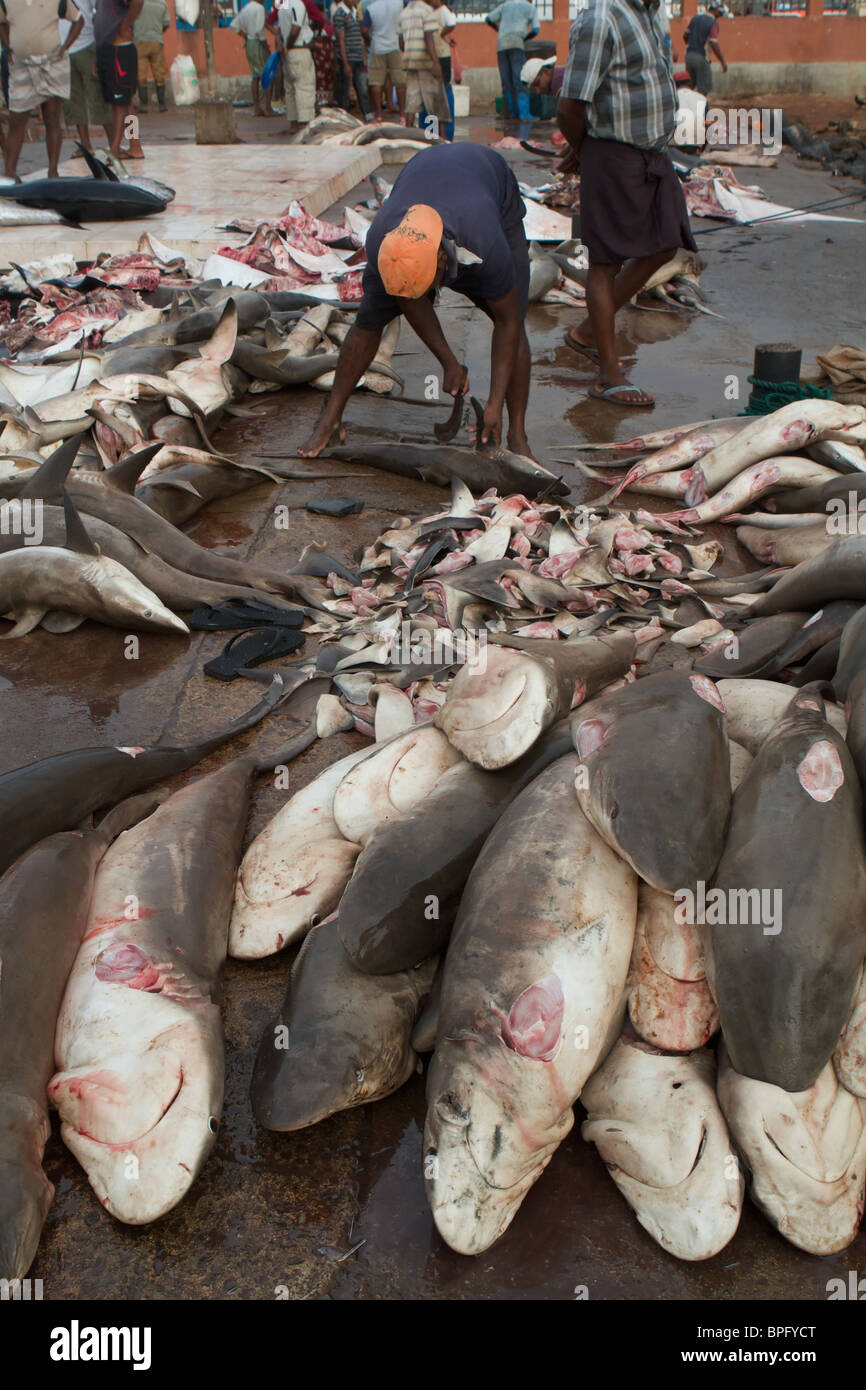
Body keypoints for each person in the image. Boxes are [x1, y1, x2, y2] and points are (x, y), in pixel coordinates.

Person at [298, 144, 535, 461]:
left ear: (441, 260)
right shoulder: (383, 238)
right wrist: (449, 362)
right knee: (368, 320)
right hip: (424, 171)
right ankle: (331, 416)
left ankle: (517, 435)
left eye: (426, 284)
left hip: (489, 179)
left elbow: (508, 323)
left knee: (514, 318)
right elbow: (407, 297)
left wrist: (494, 403)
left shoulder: (485, 241)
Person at [556, 0, 696, 407]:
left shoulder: (651, 12)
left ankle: (586, 332)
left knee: (666, 243)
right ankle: (608, 376)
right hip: (612, 152)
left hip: (652, 153)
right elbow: (570, 105)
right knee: (606, 262)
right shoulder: (601, 15)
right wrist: (584, 150)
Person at [0, 0, 83, 179]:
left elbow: (78, 20)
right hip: (22, 66)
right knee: (16, 120)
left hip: (52, 63)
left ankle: (53, 172)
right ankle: (9, 173)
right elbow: (1, 23)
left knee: (52, 116)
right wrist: (8, 47)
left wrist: (65, 48)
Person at [94, 0, 144, 159]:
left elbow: (138, 2)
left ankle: (114, 149)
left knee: (121, 102)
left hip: (120, 49)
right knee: (126, 102)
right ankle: (135, 146)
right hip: (106, 47)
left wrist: (124, 25)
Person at [60, 0, 111, 156]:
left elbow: (101, 11)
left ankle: (114, 146)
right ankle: (85, 145)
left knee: (98, 98)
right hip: (62, 51)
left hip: (86, 45)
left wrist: (98, 45)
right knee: (73, 101)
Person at [485, 0, 538, 121]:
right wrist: (525, 38)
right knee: (521, 80)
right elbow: (536, 30)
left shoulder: (505, 5)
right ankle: (524, 114)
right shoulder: (530, 8)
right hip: (517, 43)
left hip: (501, 44)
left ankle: (511, 114)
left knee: (506, 81)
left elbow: (488, 19)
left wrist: (499, 30)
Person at [398, 0, 447, 133]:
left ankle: (407, 140)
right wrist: (435, 62)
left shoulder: (403, 13)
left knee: (411, 106)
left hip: (410, 62)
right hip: (426, 62)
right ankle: (443, 142)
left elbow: (401, 44)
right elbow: (428, 38)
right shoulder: (427, 11)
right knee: (437, 106)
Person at [276, 0, 316, 134]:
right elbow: (295, 29)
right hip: (299, 50)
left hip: (288, 54)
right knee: (304, 88)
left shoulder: (282, 6)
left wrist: (282, 47)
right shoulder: (297, 4)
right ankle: (304, 126)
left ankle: (293, 125)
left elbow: (279, 31)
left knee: (290, 90)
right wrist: (288, 45)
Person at [363, 0, 405, 122]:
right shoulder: (400, 4)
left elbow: (364, 30)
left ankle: (379, 114)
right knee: (400, 82)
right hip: (395, 45)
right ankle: (402, 114)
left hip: (377, 47)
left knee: (376, 82)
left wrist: (369, 41)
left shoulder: (371, 8)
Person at [231, 0, 273, 117]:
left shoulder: (246, 8)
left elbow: (234, 25)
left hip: (250, 43)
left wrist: (245, 37)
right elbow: (260, 31)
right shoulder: (259, 8)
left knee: (255, 76)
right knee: (267, 75)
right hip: (258, 44)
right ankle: (268, 108)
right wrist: (266, 48)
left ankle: (257, 108)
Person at [333, 0, 371, 121]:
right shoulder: (340, 14)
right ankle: (343, 118)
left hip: (358, 57)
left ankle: (367, 115)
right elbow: (341, 40)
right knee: (345, 91)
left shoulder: (355, 12)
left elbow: (359, 37)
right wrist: (345, 63)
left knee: (362, 89)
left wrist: (363, 58)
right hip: (348, 58)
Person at [683, 3, 726, 97]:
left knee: (690, 85)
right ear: (715, 10)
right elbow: (713, 42)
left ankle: (686, 106)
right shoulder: (713, 23)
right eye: (720, 13)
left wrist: (689, 45)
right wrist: (722, 61)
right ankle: (700, 108)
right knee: (703, 90)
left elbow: (685, 35)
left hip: (689, 55)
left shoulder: (695, 18)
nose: (720, 16)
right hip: (701, 57)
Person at [134, 0, 168, 111]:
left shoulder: (137, 2)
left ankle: (144, 105)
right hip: (157, 41)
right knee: (159, 73)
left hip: (140, 41)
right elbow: (166, 24)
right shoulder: (162, 3)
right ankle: (162, 104)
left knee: (141, 75)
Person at [431, 4, 455, 139]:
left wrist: (443, 34)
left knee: (440, 95)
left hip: (438, 56)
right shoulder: (431, 11)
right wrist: (445, 36)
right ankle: (438, 134)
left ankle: (441, 134)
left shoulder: (442, 10)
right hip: (436, 55)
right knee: (438, 96)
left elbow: (451, 24)